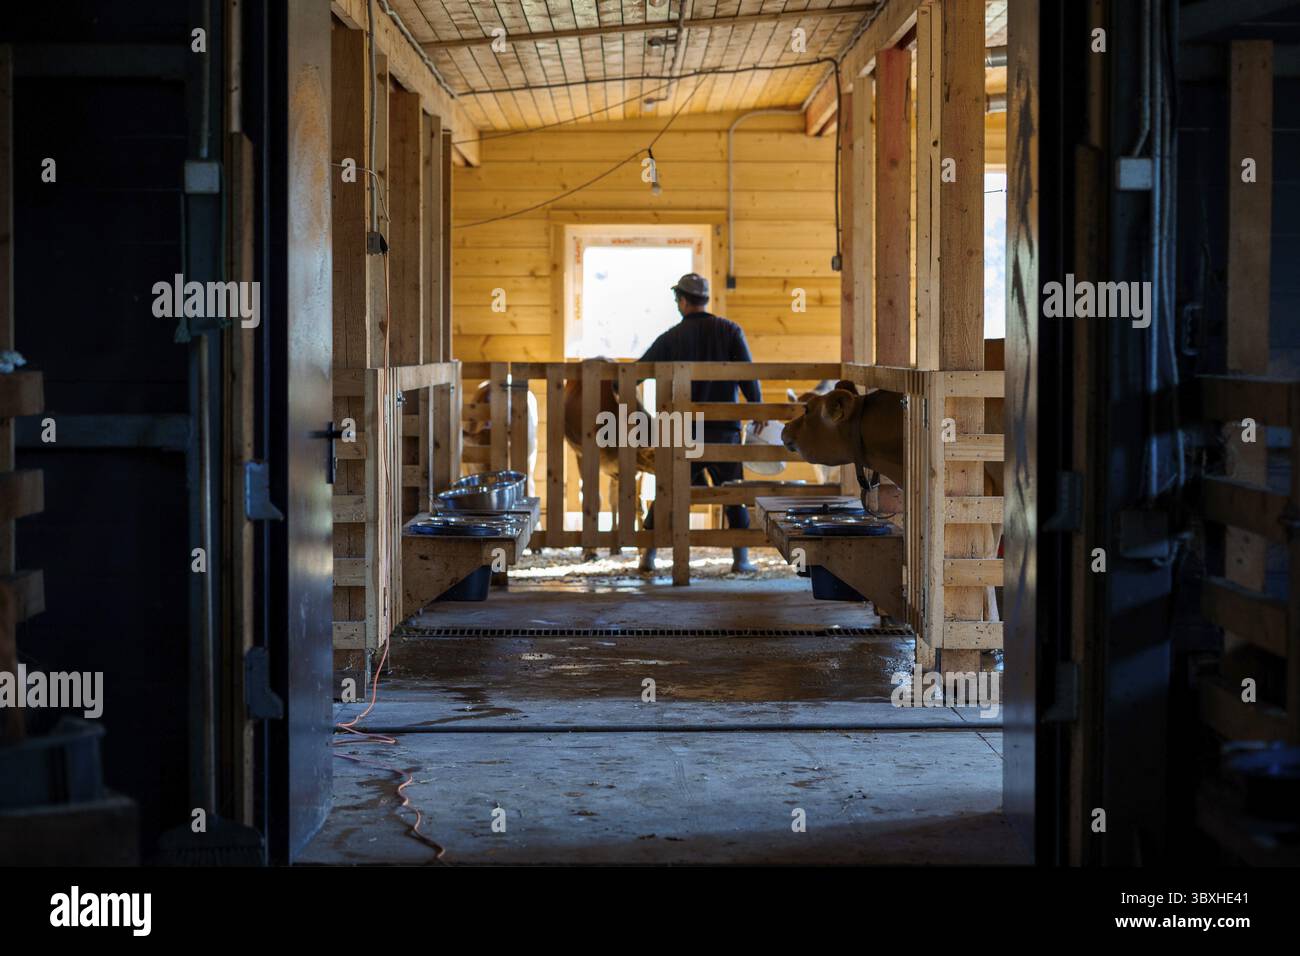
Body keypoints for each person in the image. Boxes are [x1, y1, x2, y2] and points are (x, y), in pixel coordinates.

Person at [638, 273, 764, 574]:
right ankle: (740, 559)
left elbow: (635, 373)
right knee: (732, 492)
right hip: (725, 431)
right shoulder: (730, 330)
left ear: (683, 300)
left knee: (667, 489)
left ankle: (648, 555)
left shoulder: (671, 338)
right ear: (704, 299)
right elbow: (749, 375)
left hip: (683, 433)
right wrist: (758, 407)